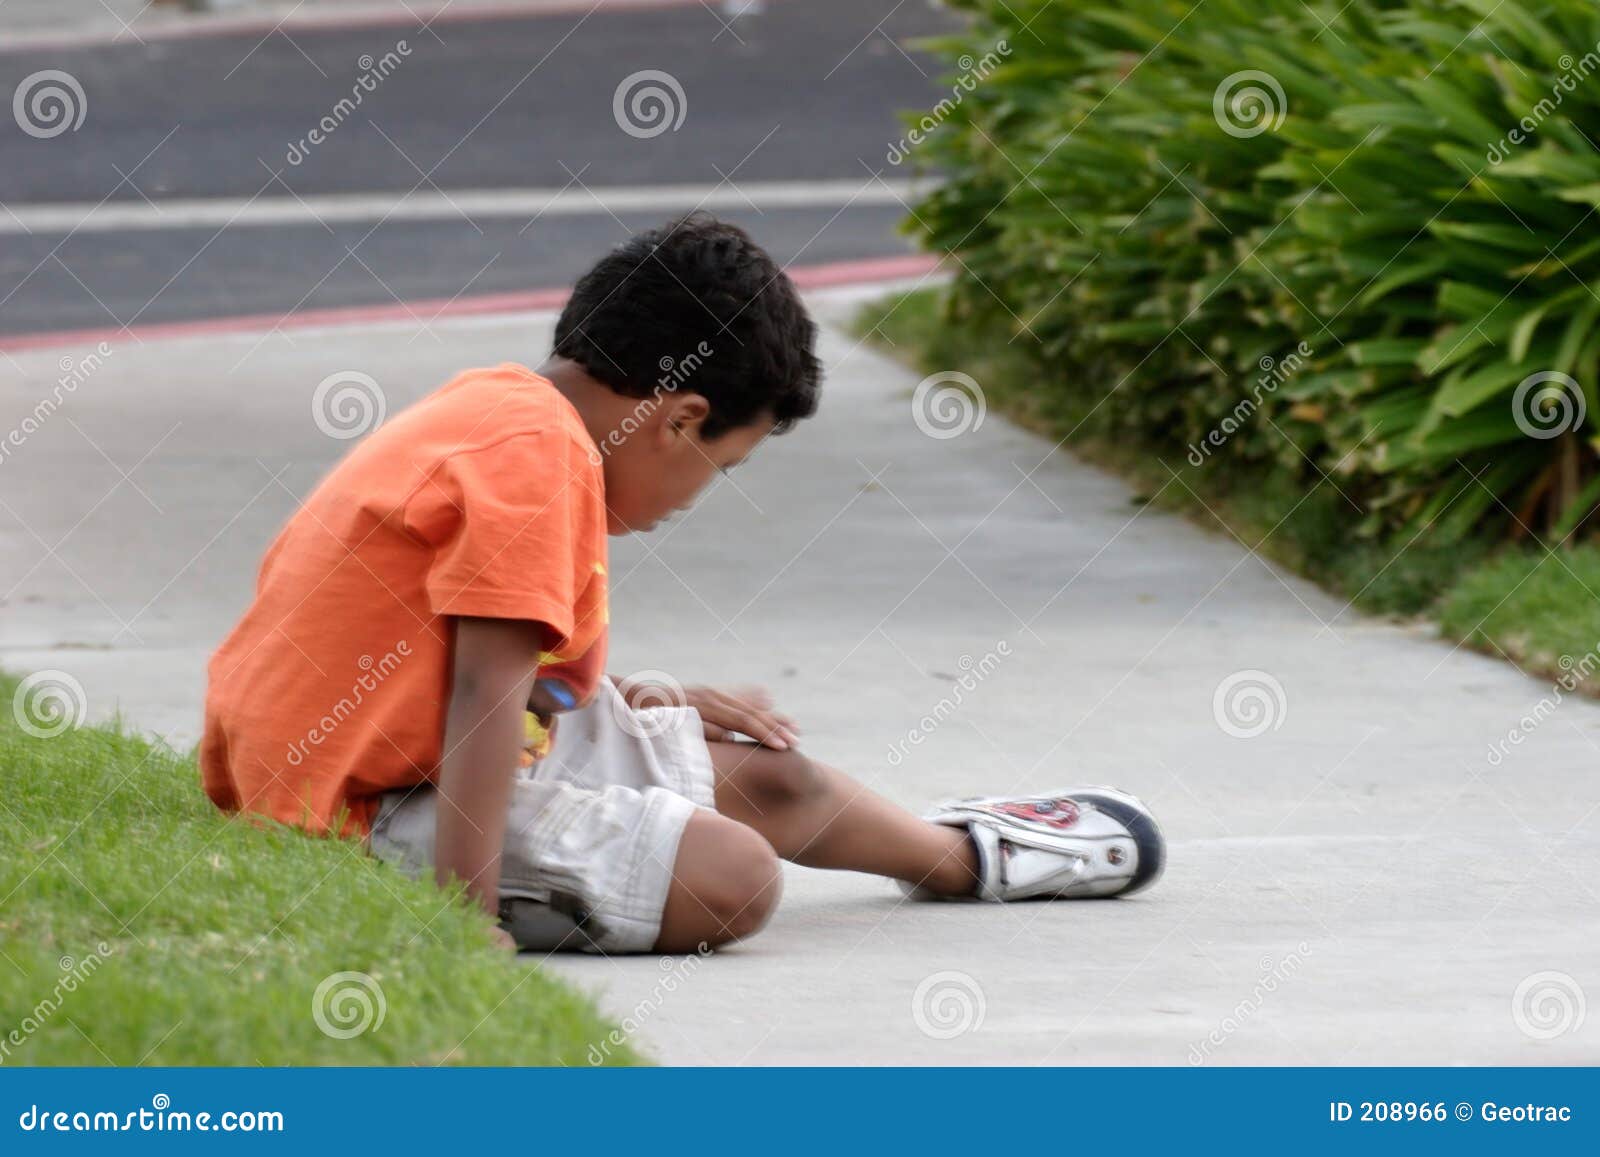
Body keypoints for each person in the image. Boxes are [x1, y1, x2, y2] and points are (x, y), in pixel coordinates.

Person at [198, 213, 1164, 955]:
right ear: (680, 417)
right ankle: (449, 890)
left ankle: (967, 856)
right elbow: (481, 689)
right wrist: (462, 920)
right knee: (733, 877)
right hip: (348, 810)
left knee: (770, 775)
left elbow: (461, 656)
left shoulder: (510, 414)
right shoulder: (533, 459)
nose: (702, 497)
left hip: (404, 760)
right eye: (724, 465)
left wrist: (617, 694)